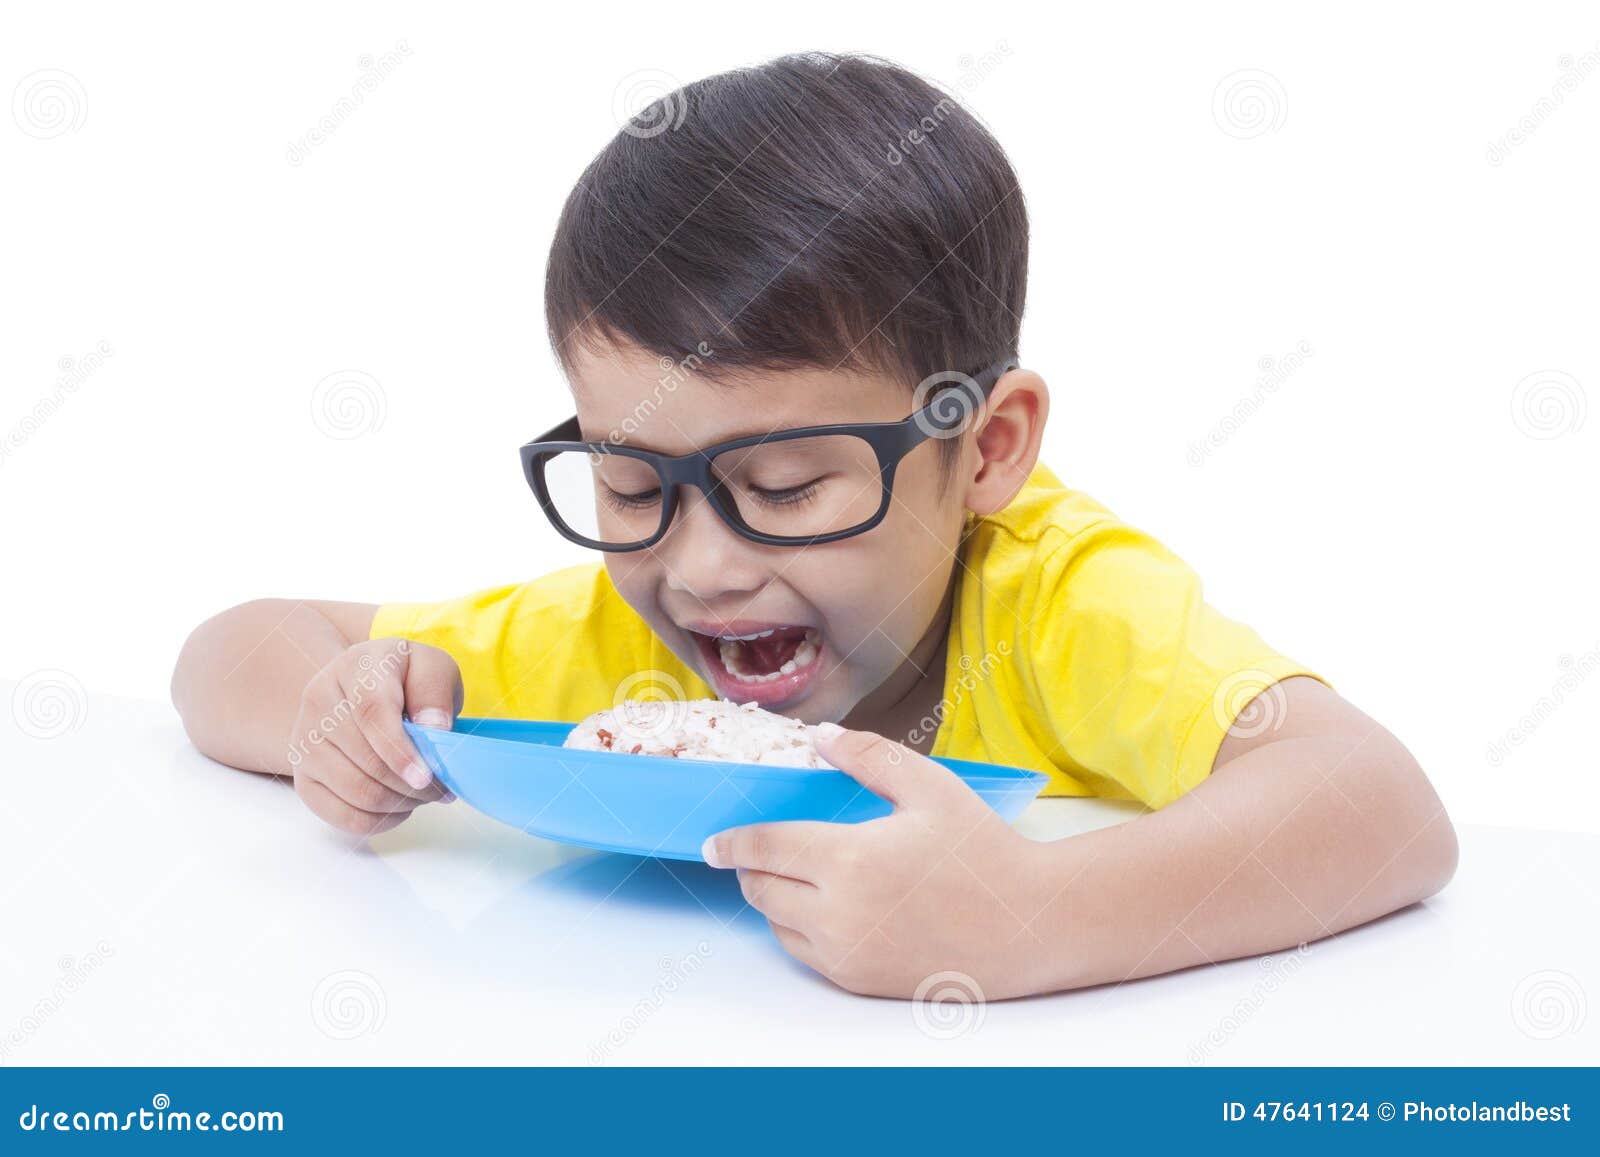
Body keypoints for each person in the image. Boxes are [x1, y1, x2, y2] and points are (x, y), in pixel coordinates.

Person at [172, 53, 1456, 1000]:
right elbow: (231, 646)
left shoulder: (1061, 604)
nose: (704, 565)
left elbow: (1380, 806)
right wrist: (345, 709)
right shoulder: (627, 648)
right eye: (628, 487)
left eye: (788, 489)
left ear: (986, 449)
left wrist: (1032, 919)